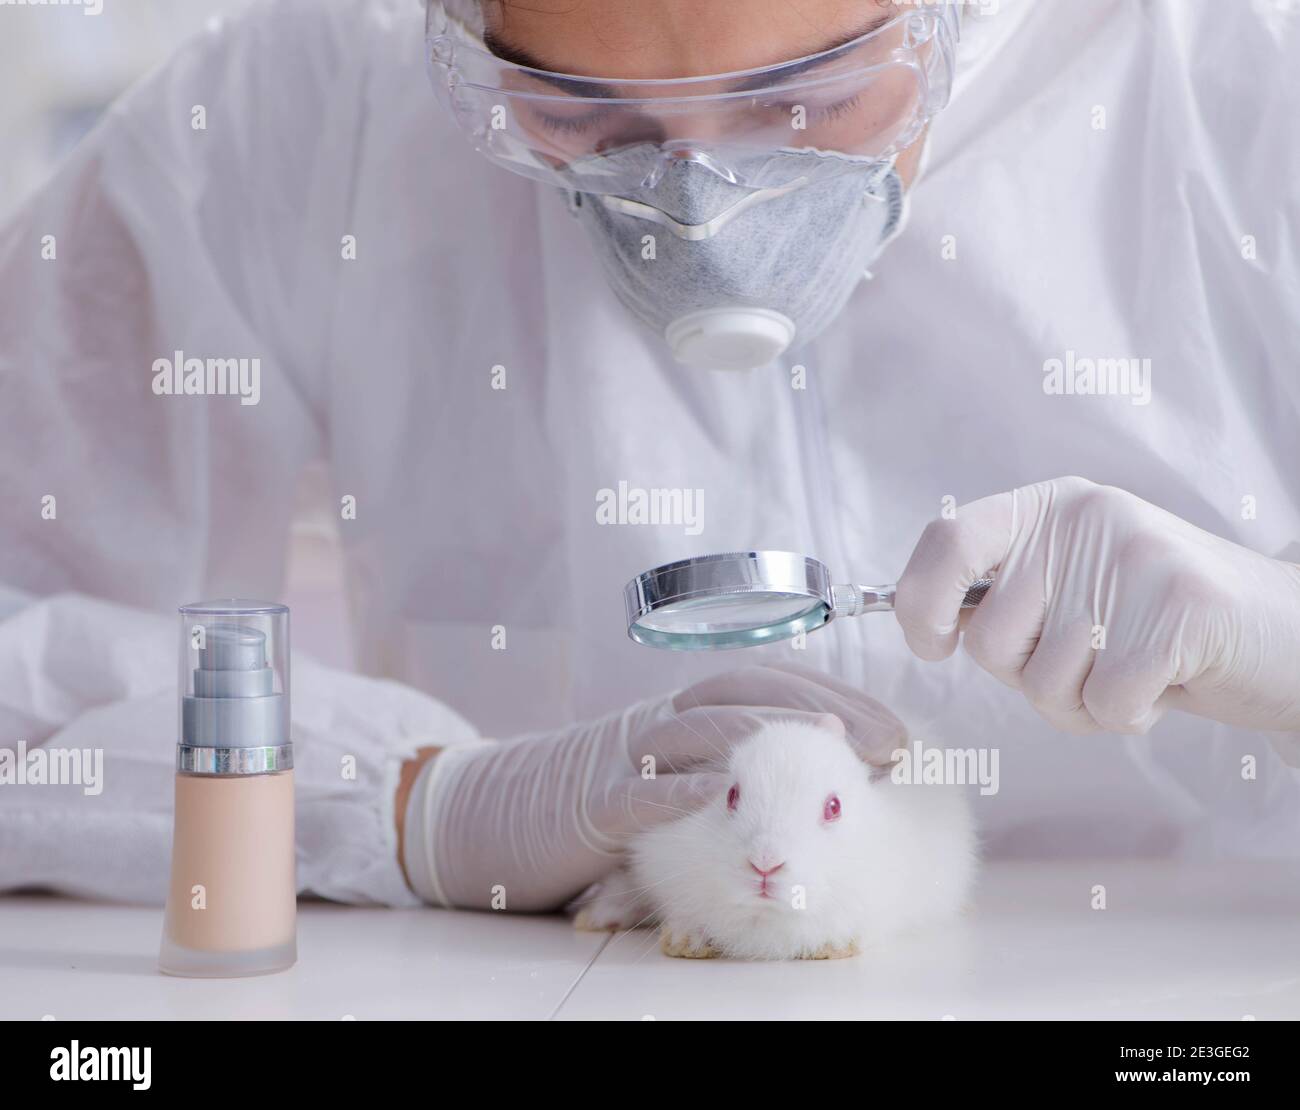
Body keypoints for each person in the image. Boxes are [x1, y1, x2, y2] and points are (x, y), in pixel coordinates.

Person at [1, 0, 1297, 914]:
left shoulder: (1241, 88)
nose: (697, 208)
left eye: (814, 98)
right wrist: (406, 806)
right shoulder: (288, 122)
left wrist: (1275, 646)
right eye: (574, 113)